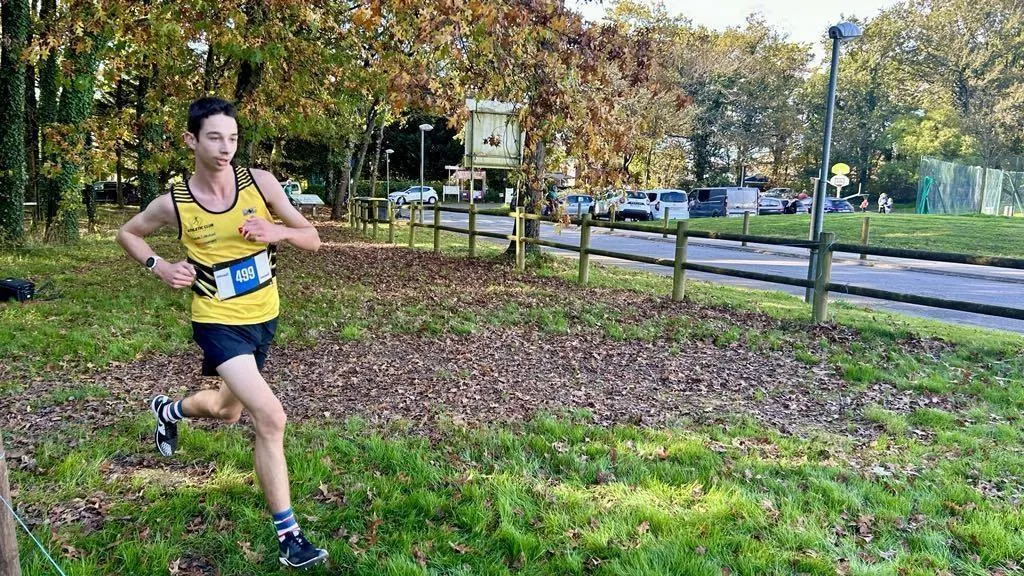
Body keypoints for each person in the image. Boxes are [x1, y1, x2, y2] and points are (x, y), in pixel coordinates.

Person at [116, 97, 327, 569]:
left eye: (232, 137)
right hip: (216, 320)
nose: (225, 147)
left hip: (264, 316)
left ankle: (169, 410)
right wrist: (160, 265)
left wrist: (279, 232)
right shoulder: (174, 204)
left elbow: (311, 237)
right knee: (271, 418)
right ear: (191, 140)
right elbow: (128, 233)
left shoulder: (262, 184)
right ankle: (290, 537)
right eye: (214, 137)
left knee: (229, 412)